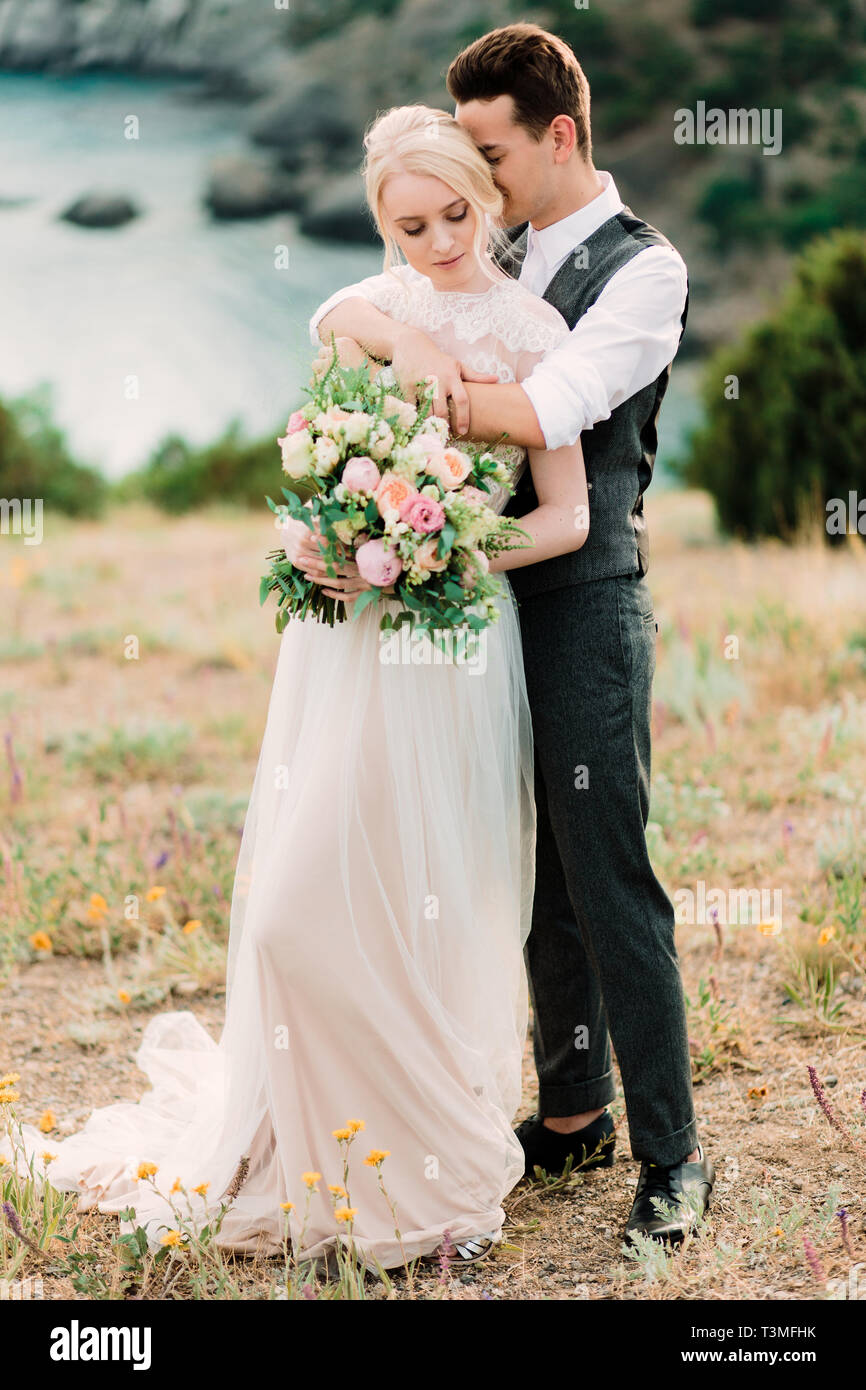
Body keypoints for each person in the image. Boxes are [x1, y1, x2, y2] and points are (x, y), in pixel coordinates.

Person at [14, 103, 588, 1271]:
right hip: (341, 644)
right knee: (288, 910)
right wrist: (330, 537)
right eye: (406, 223)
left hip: (447, 646)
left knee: (422, 902)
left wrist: (448, 549)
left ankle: (421, 1164)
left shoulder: (534, 332)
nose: (433, 241)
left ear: (483, 202)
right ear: (383, 224)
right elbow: (331, 364)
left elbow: (569, 517)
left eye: (450, 215)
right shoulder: (370, 318)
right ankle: (312, 1151)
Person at [309, 22, 714, 1246]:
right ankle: (571, 1112)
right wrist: (405, 335)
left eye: (488, 153)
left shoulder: (644, 272)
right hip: (463, 614)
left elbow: (553, 404)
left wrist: (420, 386)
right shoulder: (481, 247)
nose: (470, 186)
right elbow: (345, 303)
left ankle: (674, 1158)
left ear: (557, 134)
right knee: (515, 874)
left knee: (604, 873)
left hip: (581, 592)